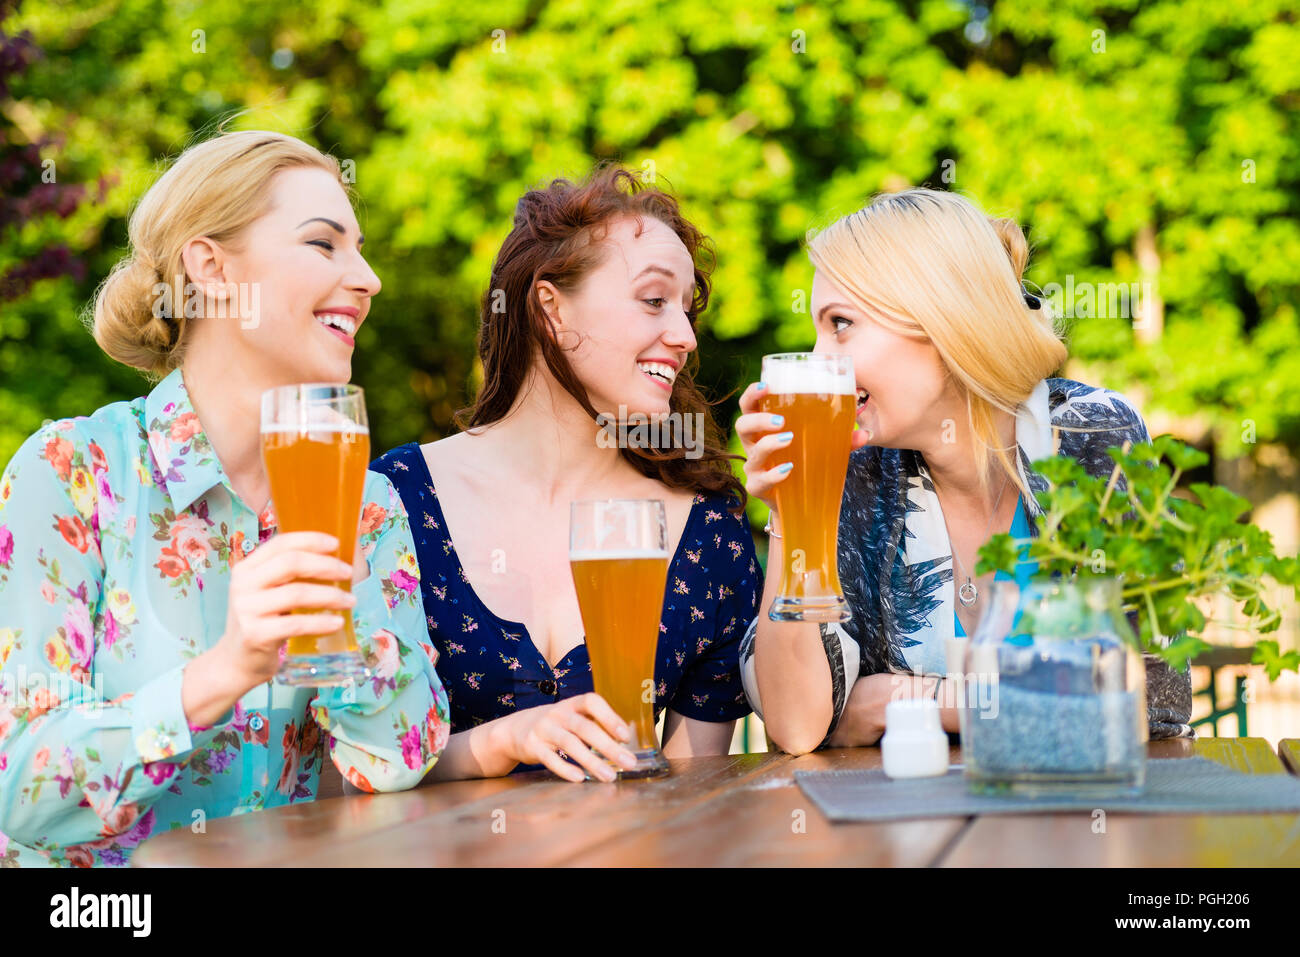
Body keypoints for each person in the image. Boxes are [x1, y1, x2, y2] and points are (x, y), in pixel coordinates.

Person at [0, 131, 450, 868]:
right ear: (210, 267)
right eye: (324, 244)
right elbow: (19, 790)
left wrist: (351, 612)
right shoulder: (72, 470)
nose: (368, 278)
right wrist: (224, 672)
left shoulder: (367, 504)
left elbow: (395, 761)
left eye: (360, 249)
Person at [735, 187, 1194, 755]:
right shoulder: (853, 468)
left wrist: (903, 701)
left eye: (841, 324)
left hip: (1080, 824)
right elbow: (799, 725)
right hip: (912, 835)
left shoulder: (1090, 434)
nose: (820, 357)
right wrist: (790, 511)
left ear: (942, 319)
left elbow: (1154, 695)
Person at [372, 165, 759, 783]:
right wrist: (502, 743)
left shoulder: (709, 535)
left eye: (687, 311)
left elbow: (695, 798)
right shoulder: (392, 500)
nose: (684, 335)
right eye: (655, 300)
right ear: (550, 309)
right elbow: (344, 766)